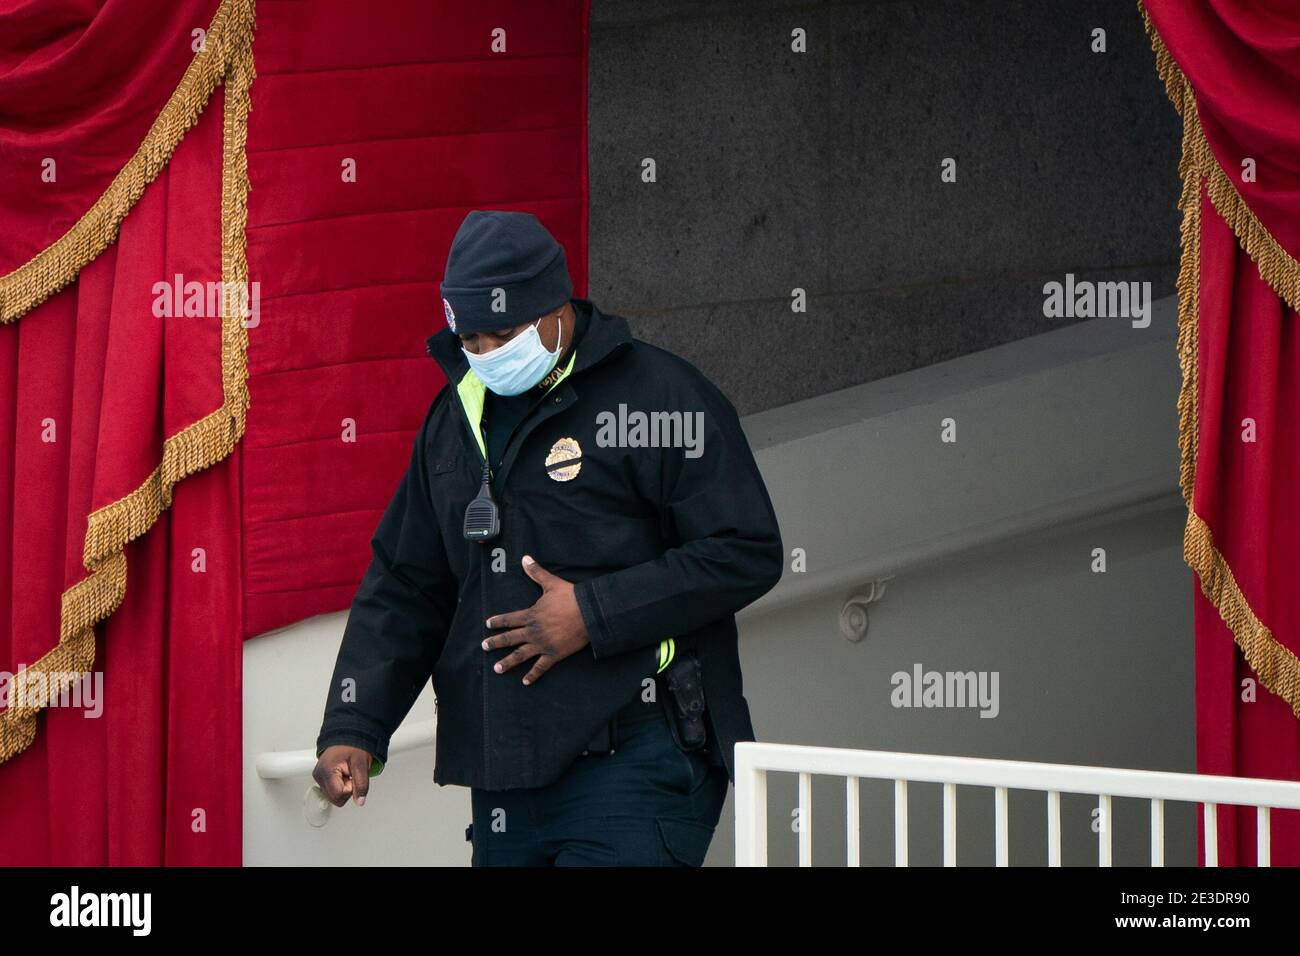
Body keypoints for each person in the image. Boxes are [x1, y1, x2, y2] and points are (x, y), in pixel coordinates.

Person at [312, 210, 783, 866]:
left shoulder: (655, 398)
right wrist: (354, 726)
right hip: (504, 783)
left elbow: (744, 549)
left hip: (637, 762)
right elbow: (406, 584)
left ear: (557, 308)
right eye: (469, 338)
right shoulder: (454, 419)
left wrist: (592, 614)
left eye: (501, 334)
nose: (484, 355)